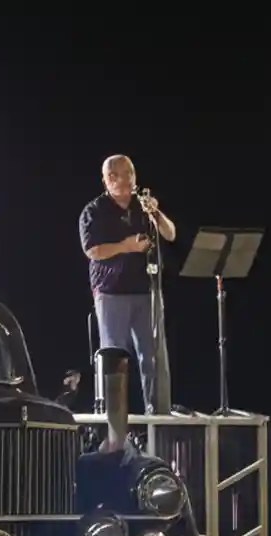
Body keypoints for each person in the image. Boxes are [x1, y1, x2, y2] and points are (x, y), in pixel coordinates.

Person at [78, 154, 177, 413]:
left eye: (131, 173)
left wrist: (155, 211)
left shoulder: (141, 206)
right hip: (112, 293)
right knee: (115, 359)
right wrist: (127, 247)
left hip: (147, 291)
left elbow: (171, 233)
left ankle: (157, 417)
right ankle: (115, 423)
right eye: (121, 174)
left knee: (153, 358)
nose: (128, 180)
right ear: (108, 179)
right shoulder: (94, 211)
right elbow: (93, 251)